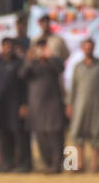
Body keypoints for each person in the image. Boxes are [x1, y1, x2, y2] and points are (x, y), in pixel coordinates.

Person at [20, 39, 66, 173]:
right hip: (36, 106)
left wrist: (48, 58)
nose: (40, 50)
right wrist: (29, 60)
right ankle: (47, 163)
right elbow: (22, 75)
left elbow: (60, 69)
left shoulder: (54, 60)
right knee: (41, 135)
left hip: (53, 104)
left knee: (55, 135)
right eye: (38, 47)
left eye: (43, 47)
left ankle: (57, 165)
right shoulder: (31, 63)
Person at [66, 38, 99, 173]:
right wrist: (69, 104)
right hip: (80, 105)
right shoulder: (78, 67)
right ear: (82, 49)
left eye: (90, 47)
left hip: (97, 105)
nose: (88, 49)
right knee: (76, 133)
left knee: (96, 133)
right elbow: (73, 87)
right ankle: (78, 164)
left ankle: (94, 164)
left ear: (94, 48)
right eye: (86, 47)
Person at [0, 37, 29, 172]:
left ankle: (23, 164)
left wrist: (24, 104)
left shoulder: (20, 63)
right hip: (1, 106)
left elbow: (25, 86)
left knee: (19, 134)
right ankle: (7, 163)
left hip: (16, 104)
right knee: (3, 135)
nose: (8, 49)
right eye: (5, 46)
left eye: (10, 46)